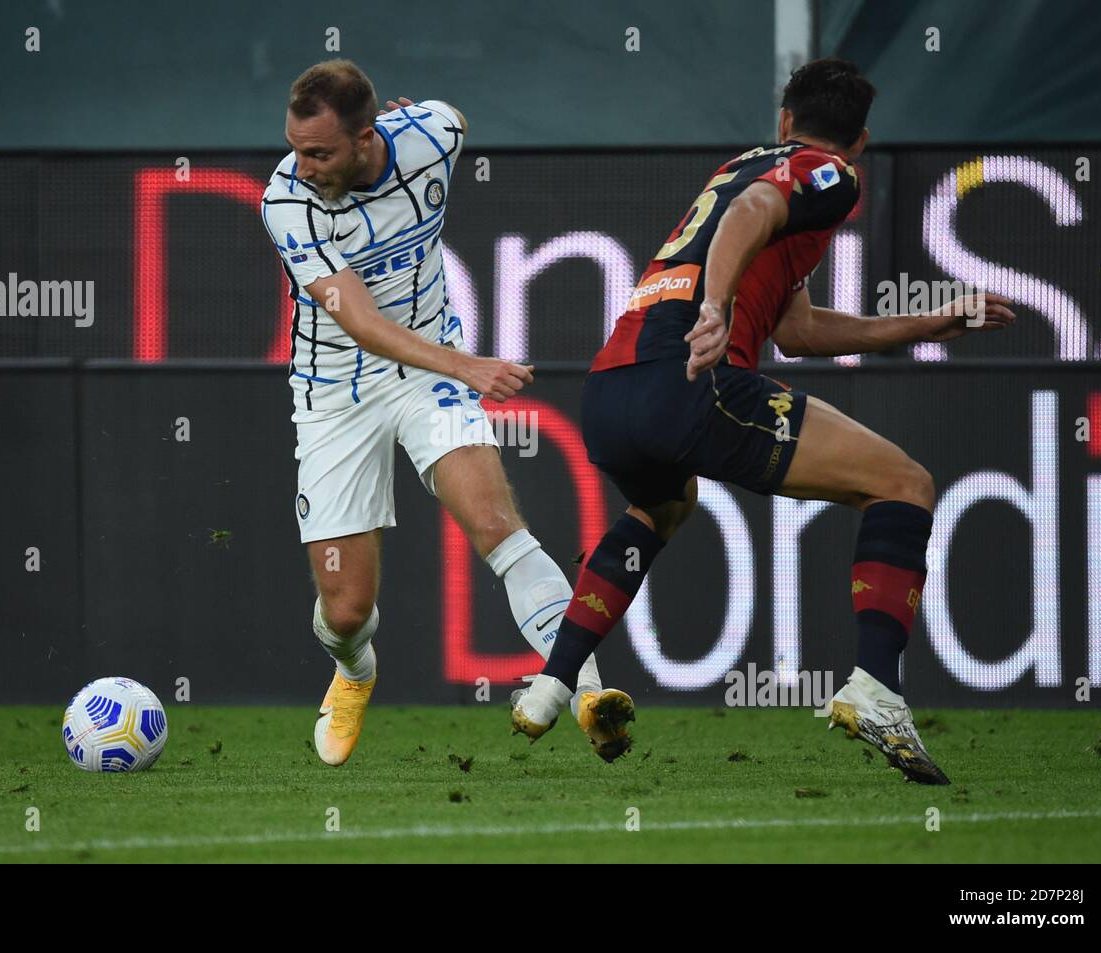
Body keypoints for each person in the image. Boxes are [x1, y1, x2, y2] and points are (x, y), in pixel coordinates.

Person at [510, 58, 1015, 783]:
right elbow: (753, 212)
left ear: (782, 121)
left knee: (661, 506)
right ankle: (876, 687)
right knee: (903, 483)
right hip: (693, 378)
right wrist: (715, 309)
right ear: (861, 142)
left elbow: (800, 332)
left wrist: (928, 324)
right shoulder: (829, 174)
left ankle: (553, 684)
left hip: (612, 388)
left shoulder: (747, 161)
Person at [261, 59, 630, 766]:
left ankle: (583, 690)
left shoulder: (432, 137)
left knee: (496, 523)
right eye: (296, 147)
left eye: (320, 152)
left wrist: (449, 366)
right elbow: (362, 323)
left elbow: (451, 117)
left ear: (368, 136)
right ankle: (355, 670)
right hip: (335, 392)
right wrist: (467, 364)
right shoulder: (287, 202)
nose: (301, 165)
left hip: (425, 378)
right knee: (344, 610)